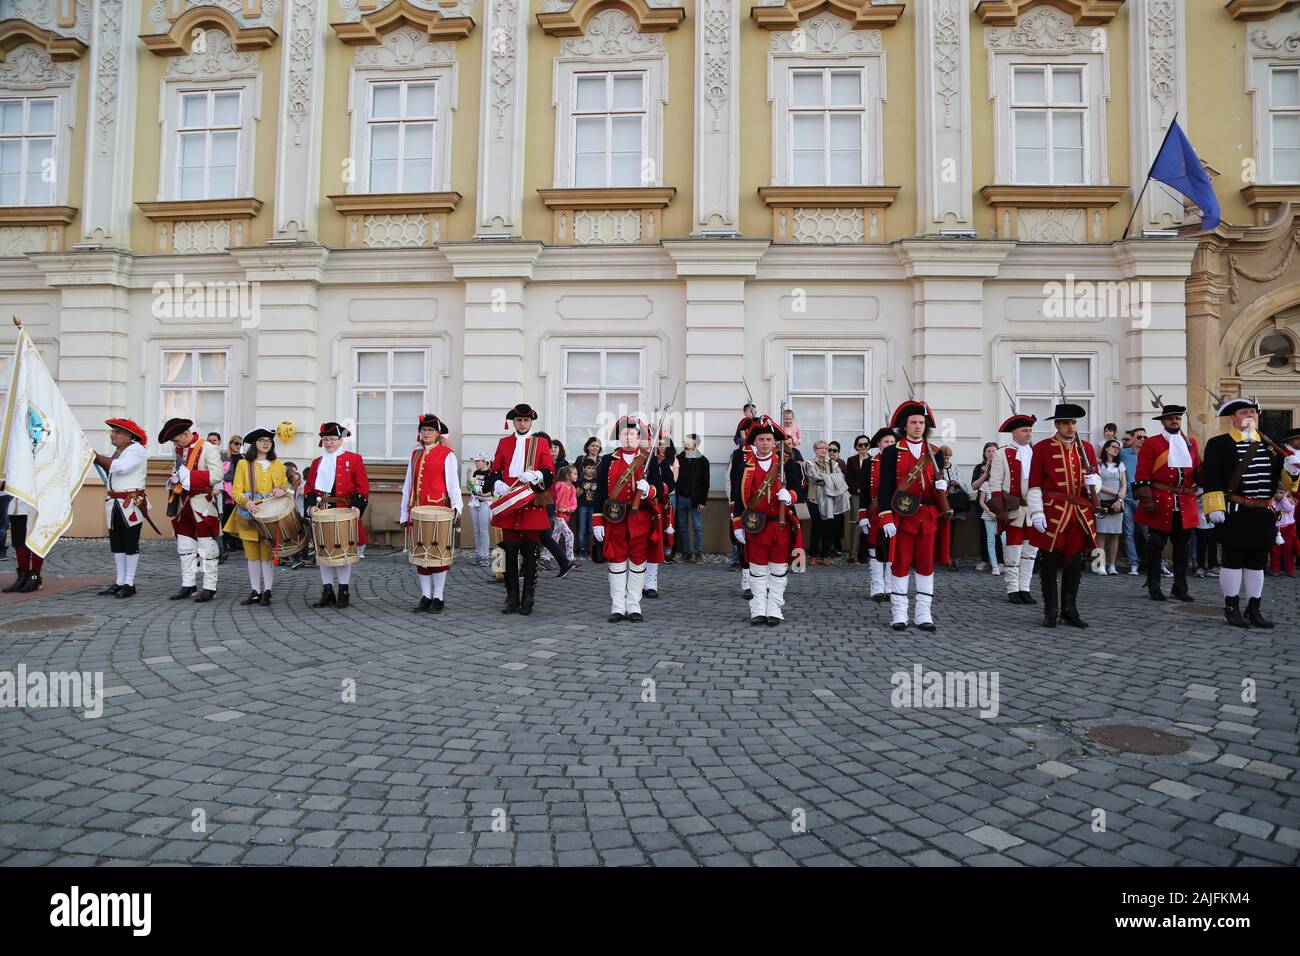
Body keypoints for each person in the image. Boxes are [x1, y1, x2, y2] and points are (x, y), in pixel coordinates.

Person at [1201, 397, 1297, 627]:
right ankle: (1231, 607)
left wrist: (1291, 470)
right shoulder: (1219, 444)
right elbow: (1210, 477)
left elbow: (1282, 483)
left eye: (1252, 412)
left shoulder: (1270, 445)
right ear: (1233, 418)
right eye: (1244, 412)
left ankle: (1254, 608)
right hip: (1236, 510)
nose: (1249, 416)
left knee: (1257, 561)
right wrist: (1214, 506)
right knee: (1233, 559)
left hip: (1263, 512)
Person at [875, 401, 952, 631]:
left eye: (921, 423)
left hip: (928, 516)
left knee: (926, 565)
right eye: (913, 422)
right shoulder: (891, 452)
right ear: (905, 426)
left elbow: (939, 492)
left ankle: (923, 613)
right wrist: (886, 517)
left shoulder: (935, 453)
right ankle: (899, 612)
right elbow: (885, 488)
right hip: (902, 515)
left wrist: (942, 486)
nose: (918, 426)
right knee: (900, 563)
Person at [1026, 403, 1102, 628]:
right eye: (1066, 423)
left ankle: (1070, 609)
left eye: (1074, 423)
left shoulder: (1086, 448)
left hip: (1079, 513)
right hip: (1053, 511)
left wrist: (1093, 482)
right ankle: (1051, 610)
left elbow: (1095, 476)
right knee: (1049, 563)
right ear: (1057, 425)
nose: (1071, 427)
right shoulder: (1042, 448)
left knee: (1074, 564)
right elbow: (1034, 484)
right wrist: (1037, 512)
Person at [731, 416, 804, 626]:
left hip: (779, 525)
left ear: (775, 442)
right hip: (755, 524)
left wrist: (790, 495)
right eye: (761, 439)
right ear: (755, 442)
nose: (765, 443)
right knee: (757, 569)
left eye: (768, 439)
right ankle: (757, 609)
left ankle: (774, 609)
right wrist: (737, 524)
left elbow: (800, 491)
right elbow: (736, 496)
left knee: (778, 570)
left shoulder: (786, 465)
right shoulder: (745, 466)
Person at [592, 417, 665, 623]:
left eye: (632, 434)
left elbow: (660, 488)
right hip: (614, 518)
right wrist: (597, 521)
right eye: (624, 434)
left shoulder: (648, 460)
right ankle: (617, 606)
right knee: (616, 561)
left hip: (639, 518)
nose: (628, 437)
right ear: (619, 437)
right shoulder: (608, 460)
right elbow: (600, 494)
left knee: (637, 560)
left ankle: (634, 605)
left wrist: (648, 489)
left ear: (639, 437)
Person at [489, 403, 555, 615]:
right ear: (513, 422)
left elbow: (550, 473)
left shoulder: (541, 443)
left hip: (531, 504)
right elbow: (494, 470)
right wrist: (497, 483)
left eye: (526, 420)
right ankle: (511, 598)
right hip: (509, 503)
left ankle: (528, 598)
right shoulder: (504, 442)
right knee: (509, 551)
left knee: (530, 553)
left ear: (531, 422)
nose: (523, 423)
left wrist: (535, 475)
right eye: (519, 420)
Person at [1133, 404, 1201, 601]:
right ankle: (1154, 585)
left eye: (1178, 418)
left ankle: (1180, 586)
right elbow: (1142, 473)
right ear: (1163, 422)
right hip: (1160, 500)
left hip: (1185, 502)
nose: (1175, 421)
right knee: (1155, 545)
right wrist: (1146, 499)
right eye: (1171, 418)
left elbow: (1196, 471)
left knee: (1182, 547)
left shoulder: (1191, 444)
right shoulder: (1152, 443)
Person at [304, 422, 370, 609]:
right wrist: (310, 507)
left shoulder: (354, 459)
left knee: (343, 551)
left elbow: (362, 487)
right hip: (322, 510)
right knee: (323, 551)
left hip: (344, 511)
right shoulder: (317, 462)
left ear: (341, 440)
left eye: (332, 439)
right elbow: (309, 488)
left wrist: (357, 507)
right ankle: (327, 591)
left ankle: (343, 591)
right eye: (326, 440)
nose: (329, 443)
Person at [399, 414, 460, 613]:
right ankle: (425, 596)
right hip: (416, 511)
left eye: (430, 430)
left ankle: (438, 597)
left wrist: (457, 507)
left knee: (436, 555)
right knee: (420, 555)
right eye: (423, 430)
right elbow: (408, 484)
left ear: (437, 433)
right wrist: (403, 512)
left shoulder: (446, 454)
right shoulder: (414, 454)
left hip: (437, 511)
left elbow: (453, 484)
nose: (426, 433)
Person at [223, 427, 290, 607]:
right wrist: (246, 502)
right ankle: (255, 591)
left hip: (270, 517)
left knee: (267, 554)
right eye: (262, 440)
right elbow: (236, 490)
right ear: (254, 444)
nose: (266, 443)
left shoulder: (278, 465)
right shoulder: (244, 464)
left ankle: (267, 590)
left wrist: (281, 489)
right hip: (250, 515)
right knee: (252, 555)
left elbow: (285, 486)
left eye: (269, 441)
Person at [159, 417, 224, 601]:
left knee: (206, 547)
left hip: (201, 503)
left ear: (186, 433)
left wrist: (191, 476)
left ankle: (209, 587)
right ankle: (188, 584)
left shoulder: (208, 448)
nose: (175, 443)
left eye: (176, 439)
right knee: (185, 547)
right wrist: (175, 480)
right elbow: (179, 473)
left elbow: (218, 474)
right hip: (183, 504)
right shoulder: (179, 450)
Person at [88, 418, 151, 599]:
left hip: (130, 503)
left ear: (128, 436)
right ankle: (119, 581)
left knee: (130, 543)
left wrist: (98, 458)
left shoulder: (137, 450)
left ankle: (129, 583)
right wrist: (99, 459)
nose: (113, 434)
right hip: (115, 502)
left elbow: (120, 468)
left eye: (117, 432)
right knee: (117, 544)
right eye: (113, 431)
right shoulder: (119, 451)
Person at [987, 414, 1039, 604]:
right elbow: (994, 484)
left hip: (1034, 509)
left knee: (1030, 551)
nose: (1028, 434)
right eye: (1024, 431)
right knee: (1013, 549)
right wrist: (1000, 511)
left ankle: (1025, 587)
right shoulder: (1002, 453)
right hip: (1014, 508)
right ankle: (1012, 588)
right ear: (1014, 433)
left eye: (1030, 431)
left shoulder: (1036, 452)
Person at [857, 426, 895, 602]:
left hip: (895, 514)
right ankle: (877, 587)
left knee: (893, 552)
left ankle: (890, 587)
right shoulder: (869, 463)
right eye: (886, 442)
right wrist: (863, 516)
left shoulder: (900, 462)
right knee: (875, 550)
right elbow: (864, 492)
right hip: (874, 513)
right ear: (878, 444)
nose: (889, 445)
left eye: (892, 442)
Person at [804, 440, 849, 566]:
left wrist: (826, 477)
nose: (824, 451)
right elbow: (814, 478)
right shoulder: (809, 463)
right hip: (814, 500)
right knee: (816, 528)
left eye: (826, 448)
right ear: (815, 450)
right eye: (820, 448)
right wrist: (831, 478)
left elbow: (840, 478)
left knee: (829, 528)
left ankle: (825, 555)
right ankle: (813, 555)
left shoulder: (833, 463)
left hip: (830, 499)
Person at [675, 435, 709, 563]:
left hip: (695, 499)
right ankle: (686, 552)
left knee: (697, 527)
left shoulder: (703, 461)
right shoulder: (679, 458)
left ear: (695, 444)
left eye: (689, 442)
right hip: (681, 497)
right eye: (685, 441)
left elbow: (706, 483)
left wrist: (702, 501)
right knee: (682, 526)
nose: (685, 443)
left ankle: (698, 554)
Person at [1095, 439, 1127, 576]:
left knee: (1115, 534)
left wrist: (1120, 499)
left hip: (1117, 503)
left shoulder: (1120, 466)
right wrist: (1116, 493)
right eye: (1113, 447)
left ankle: (1112, 565)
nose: (1116, 450)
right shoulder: (1099, 465)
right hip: (1102, 501)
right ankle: (1100, 564)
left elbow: (1124, 485)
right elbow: (1098, 485)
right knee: (1101, 533)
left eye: (1118, 448)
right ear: (1106, 448)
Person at [972, 442, 1003, 574]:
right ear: (984, 453)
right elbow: (974, 486)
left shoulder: (1002, 465)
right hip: (983, 503)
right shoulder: (979, 467)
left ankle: (1000, 562)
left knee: (1000, 534)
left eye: (993, 451)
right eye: (988, 451)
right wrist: (985, 475)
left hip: (999, 504)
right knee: (984, 534)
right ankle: (985, 560)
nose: (991, 453)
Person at [844, 434, 871, 563]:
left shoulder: (874, 460)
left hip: (871, 497)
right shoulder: (851, 460)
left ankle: (866, 553)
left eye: (866, 444)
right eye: (861, 445)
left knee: (869, 523)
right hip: (856, 496)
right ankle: (853, 554)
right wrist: (858, 489)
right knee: (856, 523)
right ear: (856, 446)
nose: (863, 447)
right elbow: (848, 479)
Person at [574, 437, 602, 558]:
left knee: (592, 527)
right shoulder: (581, 459)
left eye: (597, 445)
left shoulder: (602, 460)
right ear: (587, 447)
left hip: (595, 500)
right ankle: (582, 549)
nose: (595, 447)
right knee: (581, 527)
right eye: (592, 445)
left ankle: (591, 549)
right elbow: (574, 475)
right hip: (582, 499)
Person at [466, 452, 494, 567]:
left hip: (484, 503)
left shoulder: (490, 473)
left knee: (483, 529)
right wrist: (468, 477)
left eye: (477, 461)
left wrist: (483, 496)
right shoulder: (476, 472)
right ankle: (478, 555)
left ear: (484, 461)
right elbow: (470, 488)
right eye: (475, 461)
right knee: (476, 529)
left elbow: (493, 491)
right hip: (475, 502)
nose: (475, 463)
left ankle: (485, 556)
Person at [552, 465, 578, 567]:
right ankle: (570, 558)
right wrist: (555, 507)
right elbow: (553, 496)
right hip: (557, 515)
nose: (576, 476)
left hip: (564, 515)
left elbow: (574, 504)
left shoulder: (572, 488)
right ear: (568, 475)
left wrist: (567, 509)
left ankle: (546, 558)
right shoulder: (560, 485)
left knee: (555, 537)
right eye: (574, 473)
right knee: (569, 534)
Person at [1270, 489, 1296, 576]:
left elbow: (1288, 509)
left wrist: (1284, 499)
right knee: (1275, 551)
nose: (1278, 495)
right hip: (1276, 528)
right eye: (1276, 492)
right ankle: (1274, 568)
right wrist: (1273, 499)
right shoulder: (1274, 501)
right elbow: (1273, 509)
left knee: (1288, 551)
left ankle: (1290, 570)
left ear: (1286, 493)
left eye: (1281, 493)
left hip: (1288, 528)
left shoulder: (1290, 502)